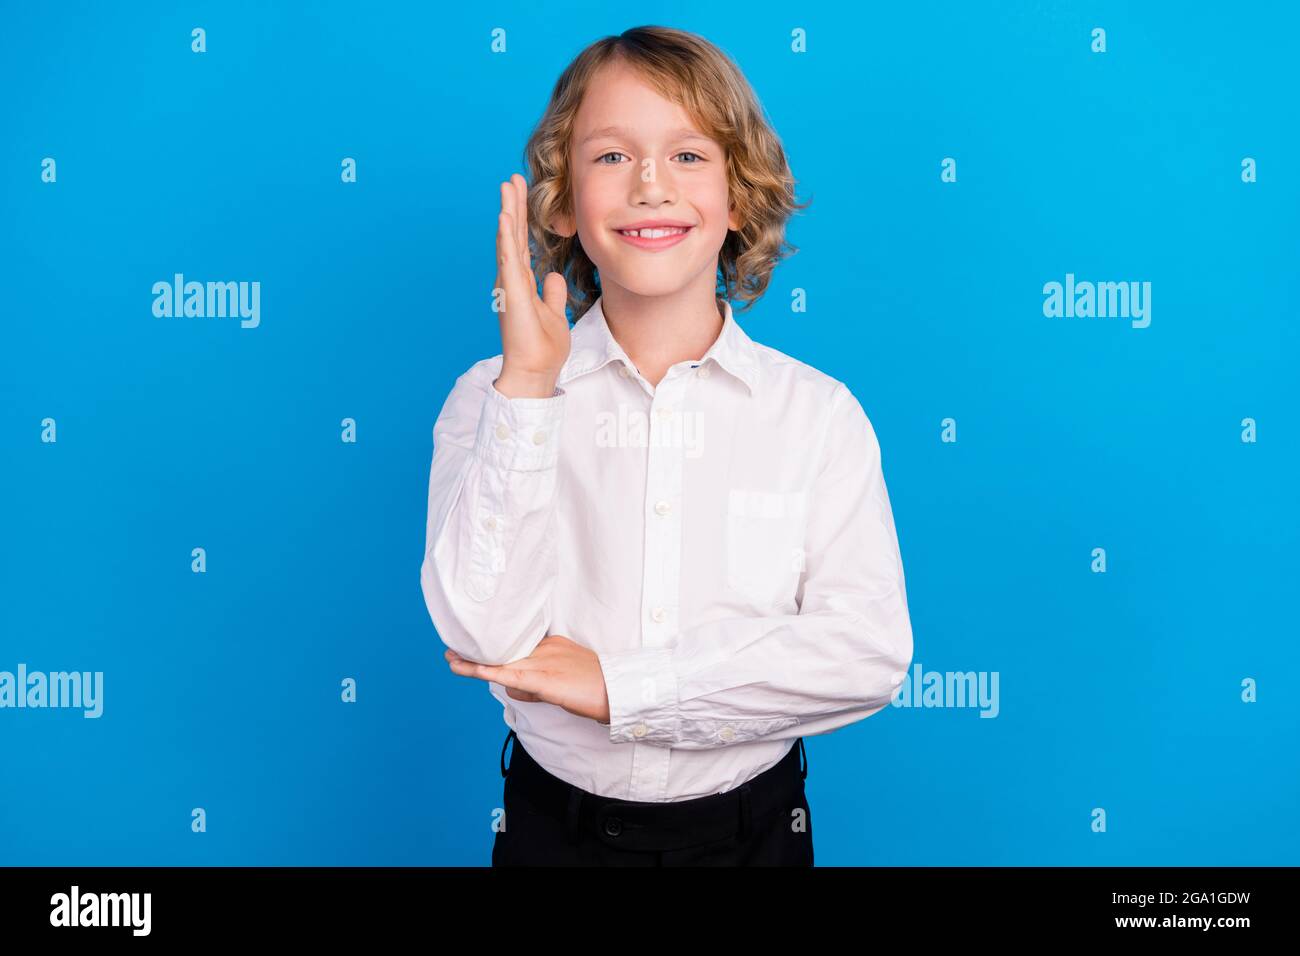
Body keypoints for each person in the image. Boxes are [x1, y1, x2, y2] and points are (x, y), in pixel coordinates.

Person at [420, 25, 913, 866]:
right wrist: (531, 393)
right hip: (554, 831)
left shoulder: (817, 415)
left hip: (752, 834)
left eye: (688, 156)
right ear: (566, 201)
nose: (650, 186)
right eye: (611, 157)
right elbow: (482, 630)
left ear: (738, 198)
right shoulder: (492, 397)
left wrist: (626, 687)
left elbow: (865, 651)